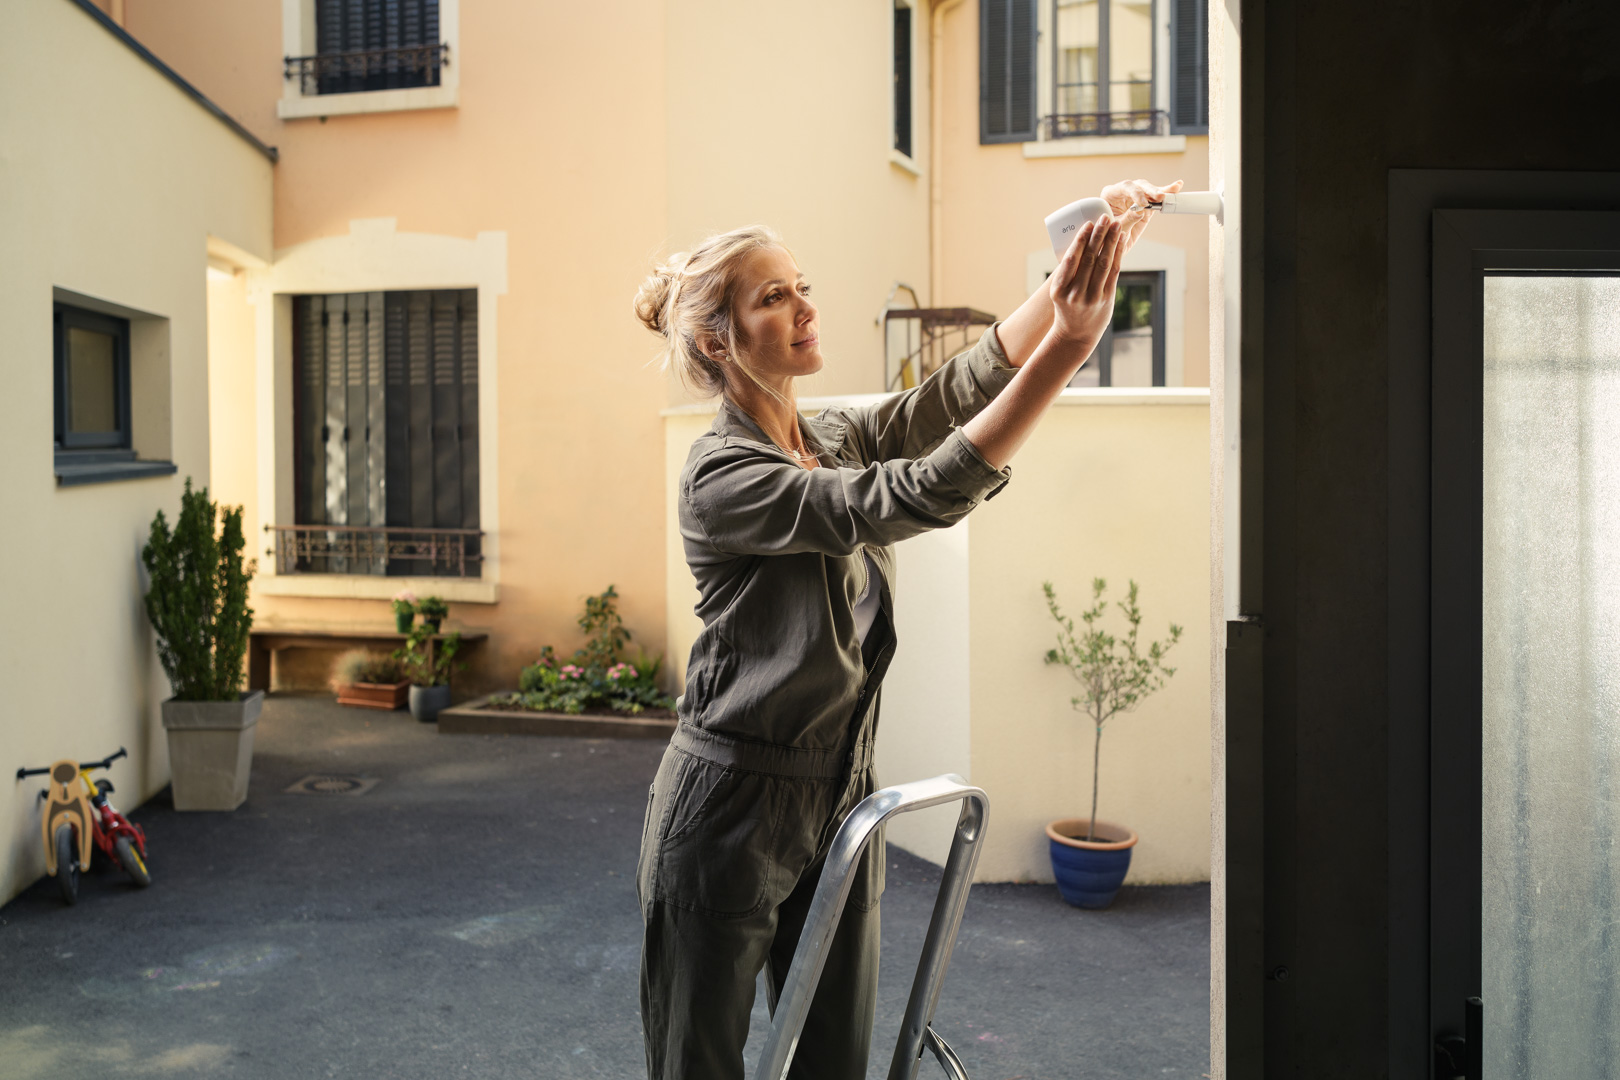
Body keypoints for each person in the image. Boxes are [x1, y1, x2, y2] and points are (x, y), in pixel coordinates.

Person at [631, 178, 1182, 1080]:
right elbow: (914, 493)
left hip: (844, 794)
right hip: (729, 808)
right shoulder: (722, 477)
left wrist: (1078, 260)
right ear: (715, 340)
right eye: (775, 296)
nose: (807, 305)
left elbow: (950, 395)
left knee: (835, 1063)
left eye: (802, 284)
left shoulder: (835, 433)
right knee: (701, 1067)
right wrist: (1069, 350)